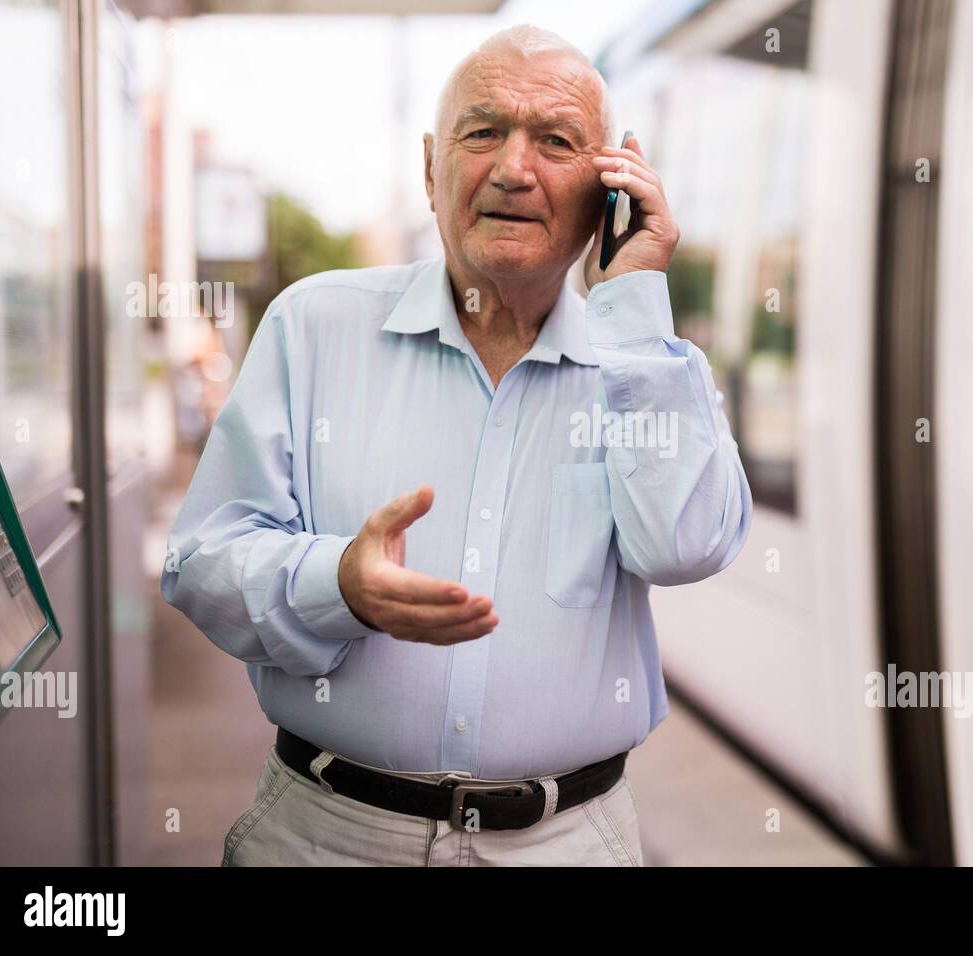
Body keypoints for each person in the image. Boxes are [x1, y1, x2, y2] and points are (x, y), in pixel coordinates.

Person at [162, 24, 752, 867]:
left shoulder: (645, 365)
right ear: (430, 168)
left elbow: (686, 547)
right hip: (325, 835)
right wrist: (338, 586)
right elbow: (199, 563)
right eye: (484, 132)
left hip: (569, 844)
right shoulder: (312, 324)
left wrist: (639, 298)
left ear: (611, 185)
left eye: (556, 141)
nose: (514, 168)